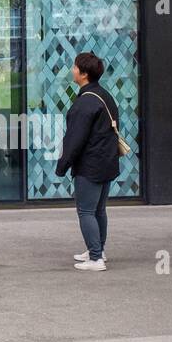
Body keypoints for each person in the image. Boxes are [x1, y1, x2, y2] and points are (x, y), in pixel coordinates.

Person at [55, 51, 120, 271]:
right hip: (107, 163)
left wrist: (62, 165)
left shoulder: (85, 103)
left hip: (90, 165)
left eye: (75, 67)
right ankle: (98, 249)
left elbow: (75, 138)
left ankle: (96, 258)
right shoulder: (105, 96)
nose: (72, 70)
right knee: (99, 210)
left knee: (86, 211)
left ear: (83, 74)